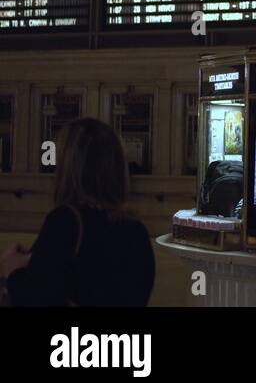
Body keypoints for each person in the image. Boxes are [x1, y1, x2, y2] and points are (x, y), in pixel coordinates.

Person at [0, 118, 155, 307]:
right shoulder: (136, 230)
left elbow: (37, 297)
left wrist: (12, 272)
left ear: (69, 165)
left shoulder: (66, 222)